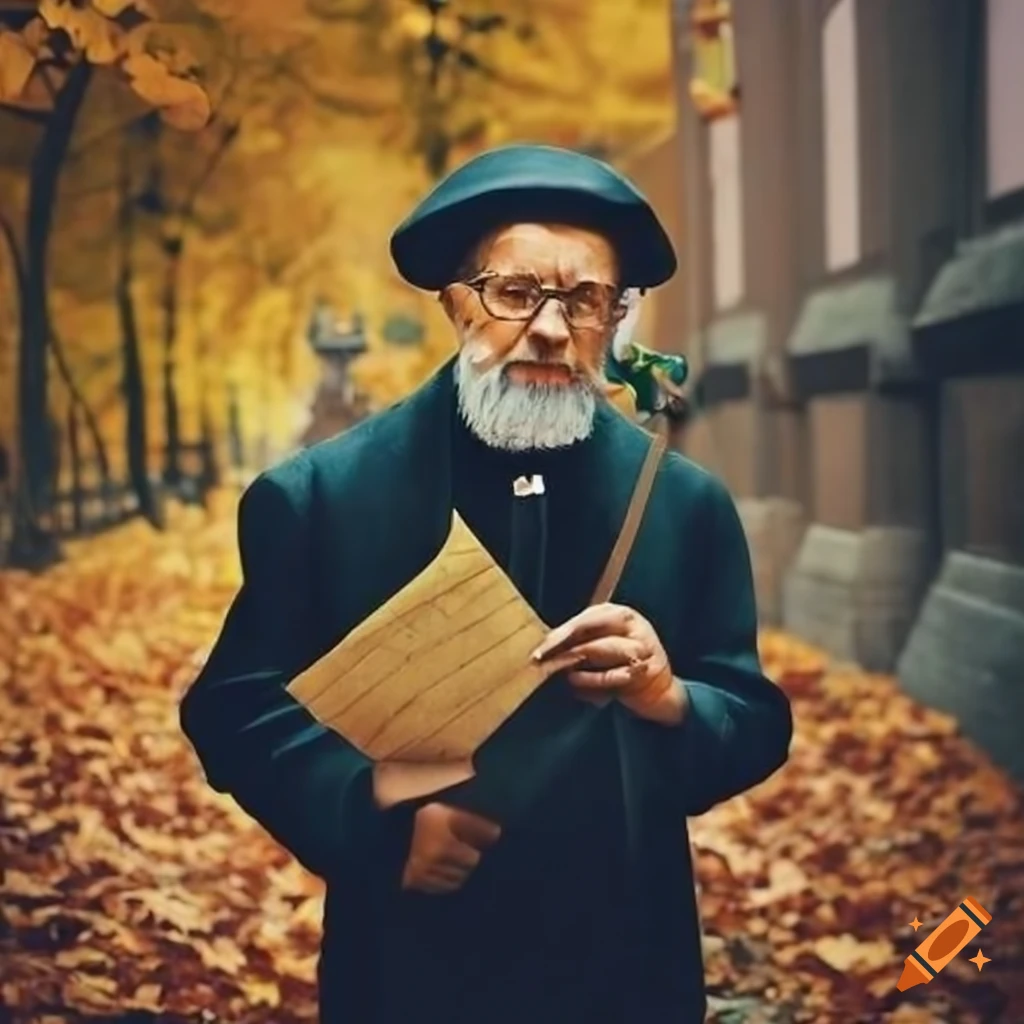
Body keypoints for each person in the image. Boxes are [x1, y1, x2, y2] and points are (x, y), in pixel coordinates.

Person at [180, 144, 793, 1024]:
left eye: (585, 302)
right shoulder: (317, 498)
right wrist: (374, 816)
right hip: (409, 963)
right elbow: (233, 707)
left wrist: (669, 698)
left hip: (626, 963)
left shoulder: (682, 502)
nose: (550, 328)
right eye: (514, 293)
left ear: (615, 319)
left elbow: (754, 720)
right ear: (455, 300)